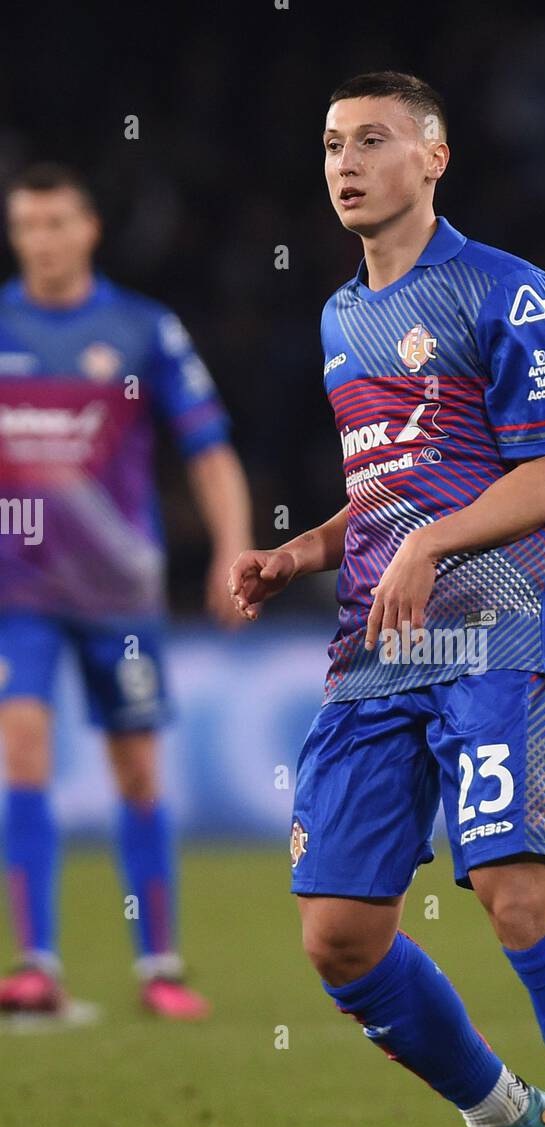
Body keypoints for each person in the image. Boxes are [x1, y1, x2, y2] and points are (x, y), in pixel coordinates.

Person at [230, 71, 545, 1127]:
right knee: (338, 936)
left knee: (518, 896)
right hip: (375, 644)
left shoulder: (505, 294)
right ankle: (501, 1114)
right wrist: (302, 551)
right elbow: (386, 497)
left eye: (371, 140)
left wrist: (421, 540)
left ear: (435, 156)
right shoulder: (336, 318)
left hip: (496, 633)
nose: (344, 163)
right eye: (329, 145)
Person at [0, 163, 252, 1018]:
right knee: (23, 743)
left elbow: (208, 447)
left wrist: (232, 544)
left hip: (119, 594)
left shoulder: (141, 330)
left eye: (56, 223)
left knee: (138, 770)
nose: (42, 240)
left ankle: (161, 969)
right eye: (27, 225)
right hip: (18, 587)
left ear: (90, 229)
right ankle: (35, 963)